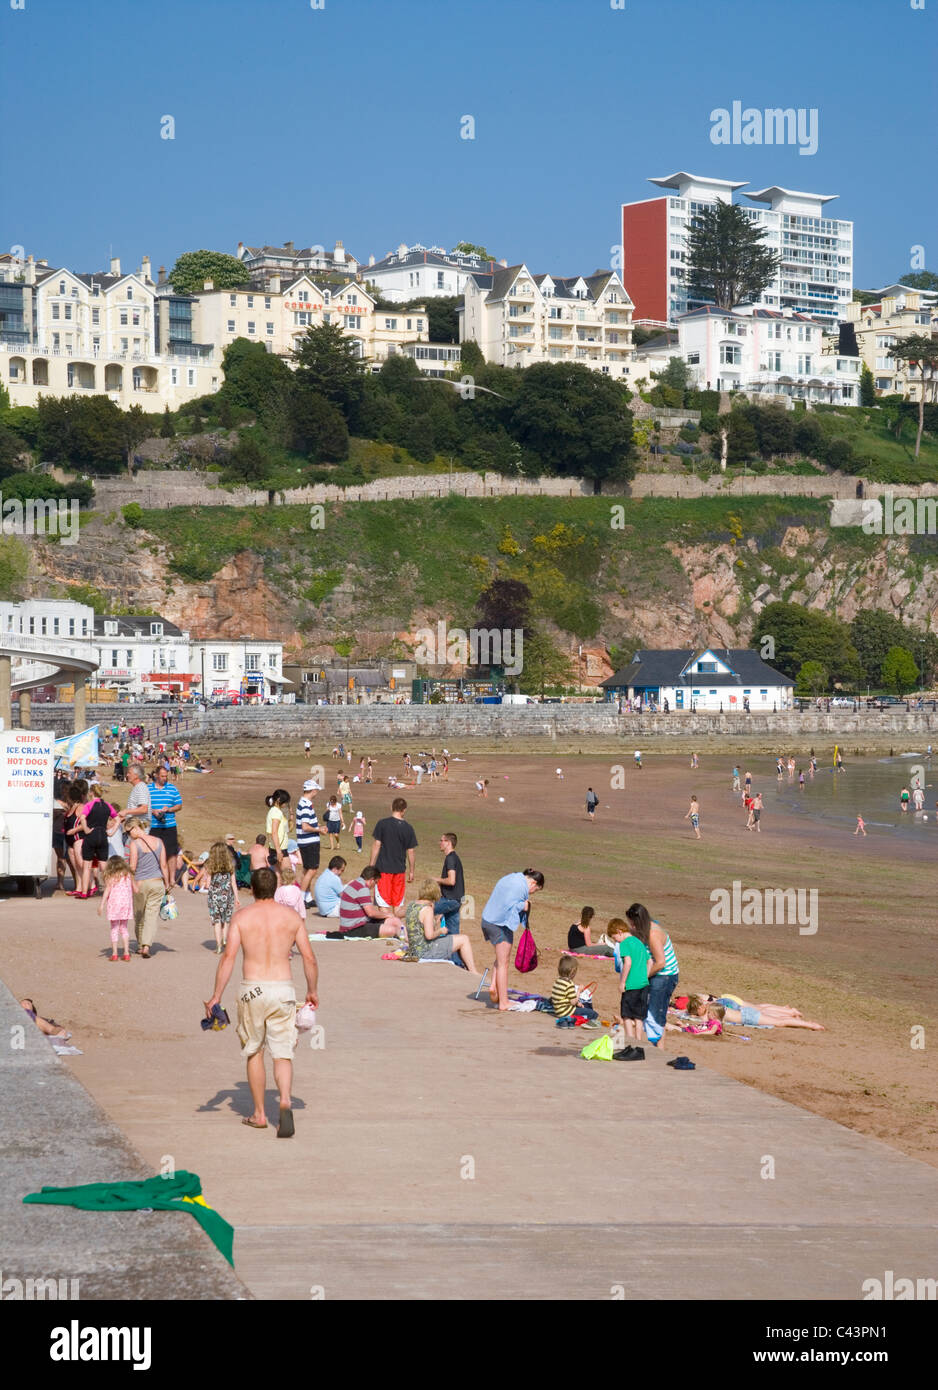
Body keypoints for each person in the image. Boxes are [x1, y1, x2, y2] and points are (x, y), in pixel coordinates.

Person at [205, 867, 319, 1138]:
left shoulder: (243, 917)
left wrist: (216, 996)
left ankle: (259, 1114)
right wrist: (312, 990)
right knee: (282, 1052)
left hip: (252, 989)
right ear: (275, 890)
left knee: (254, 1050)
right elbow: (309, 957)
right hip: (282, 989)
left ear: (252, 889)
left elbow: (228, 958)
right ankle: (285, 1100)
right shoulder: (291, 917)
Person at [480, 869, 544, 1011]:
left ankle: (493, 987)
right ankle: (504, 1002)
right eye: (535, 890)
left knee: (500, 957)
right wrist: (524, 905)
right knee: (504, 963)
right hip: (498, 925)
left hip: (487, 920)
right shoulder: (521, 887)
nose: (532, 893)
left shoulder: (512, 877)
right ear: (533, 883)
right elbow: (512, 906)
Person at [403, 880, 477, 969]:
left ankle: (466, 968)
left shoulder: (411, 905)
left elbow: (410, 933)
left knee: (456, 940)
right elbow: (429, 936)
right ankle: (473, 971)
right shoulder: (427, 909)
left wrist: (434, 920)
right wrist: (441, 931)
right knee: (464, 939)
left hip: (413, 949)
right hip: (426, 951)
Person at [127, 823, 171, 959]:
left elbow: (133, 866)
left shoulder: (135, 844)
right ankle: (146, 945)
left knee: (139, 914)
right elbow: (164, 864)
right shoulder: (159, 841)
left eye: (129, 832)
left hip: (141, 883)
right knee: (151, 916)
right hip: (157, 882)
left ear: (135, 827)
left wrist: (131, 882)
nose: (129, 835)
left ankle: (141, 945)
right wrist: (167, 882)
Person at [325, 865, 404, 940]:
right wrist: (387, 915)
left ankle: (409, 939)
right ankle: (409, 940)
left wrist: (388, 916)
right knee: (392, 930)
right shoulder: (362, 888)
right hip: (353, 928)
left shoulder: (355, 883)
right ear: (371, 880)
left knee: (395, 920)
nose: (375, 886)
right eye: (376, 882)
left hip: (358, 922)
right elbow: (371, 913)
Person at [608, 914, 650, 1051]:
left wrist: (622, 982)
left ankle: (631, 1046)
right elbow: (649, 961)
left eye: (615, 938)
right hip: (644, 984)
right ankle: (638, 1043)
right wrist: (645, 976)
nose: (617, 942)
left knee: (626, 1016)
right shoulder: (638, 942)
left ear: (619, 932)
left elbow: (627, 962)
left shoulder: (625, 943)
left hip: (631, 985)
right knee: (638, 1017)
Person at [640, 905, 680, 1047]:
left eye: (632, 923)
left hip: (664, 976)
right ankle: (657, 1048)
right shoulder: (647, 928)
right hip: (660, 976)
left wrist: (642, 978)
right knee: (653, 1013)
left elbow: (660, 963)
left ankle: (659, 1050)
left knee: (656, 1016)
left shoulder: (653, 934)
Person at [369, 797, 417, 913]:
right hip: (400, 871)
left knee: (383, 905)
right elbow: (410, 851)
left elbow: (377, 845)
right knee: (398, 905)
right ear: (404, 810)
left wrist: (371, 866)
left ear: (391, 807)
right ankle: (396, 928)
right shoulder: (408, 828)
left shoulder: (382, 824)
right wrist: (411, 871)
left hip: (383, 870)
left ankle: (388, 928)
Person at [198, 841, 240, 954]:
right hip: (227, 895)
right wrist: (237, 898)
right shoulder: (230, 866)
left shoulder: (211, 866)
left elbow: (208, 884)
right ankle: (225, 939)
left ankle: (218, 945)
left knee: (216, 921)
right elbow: (233, 883)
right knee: (226, 920)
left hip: (215, 896)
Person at [149, 764, 183, 885]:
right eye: (162, 776)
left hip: (169, 825)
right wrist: (153, 811)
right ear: (156, 776)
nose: (165, 778)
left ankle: (172, 879)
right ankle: (159, 877)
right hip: (154, 826)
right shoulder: (148, 789)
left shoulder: (172, 788)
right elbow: (143, 806)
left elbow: (179, 805)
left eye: (166, 776)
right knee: (154, 852)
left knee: (171, 852)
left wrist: (168, 809)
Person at [97, 856, 134, 962]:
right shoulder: (127, 875)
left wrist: (102, 905)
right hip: (126, 905)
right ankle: (126, 953)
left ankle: (114, 954)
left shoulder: (111, 876)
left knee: (114, 928)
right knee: (124, 928)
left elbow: (107, 891)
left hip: (114, 905)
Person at [294, 780, 321, 906]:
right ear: (313, 790)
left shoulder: (304, 803)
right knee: (312, 870)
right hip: (309, 842)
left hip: (305, 841)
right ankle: (301, 897)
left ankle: (308, 897)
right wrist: (318, 829)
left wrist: (317, 826)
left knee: (307, 870)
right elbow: (305, 826)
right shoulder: (305, 805)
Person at [551, 956, 599, 1025]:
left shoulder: (557, 981)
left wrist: (578, 1003)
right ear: (572, 972)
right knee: (593, 1014)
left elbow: (564, 998)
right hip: (566, 1012)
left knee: (581, 1008)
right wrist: (579, 991)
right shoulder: (569, 984)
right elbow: (573, 1002)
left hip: (558, 1010)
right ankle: (579, 1020)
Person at [435, 832, 465, 936]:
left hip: (450, 900)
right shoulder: (454, 857)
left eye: (442, 840)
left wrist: (437, 880)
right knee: (453, 936)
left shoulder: (450, 858)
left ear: (448, 843)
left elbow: (451, 881)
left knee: (424, 909)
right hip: (456, 901)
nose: (440, 843)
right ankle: (454, 953)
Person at [265, 789, 291, 869]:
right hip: (280, 848)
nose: (286, 804)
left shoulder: (273, 810)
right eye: (286, 802)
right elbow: (274, 832)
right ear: (279, 800)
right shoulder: (277, 813)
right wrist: (279, 852)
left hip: (274, 847)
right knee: (288, 876)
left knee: (278, 875)